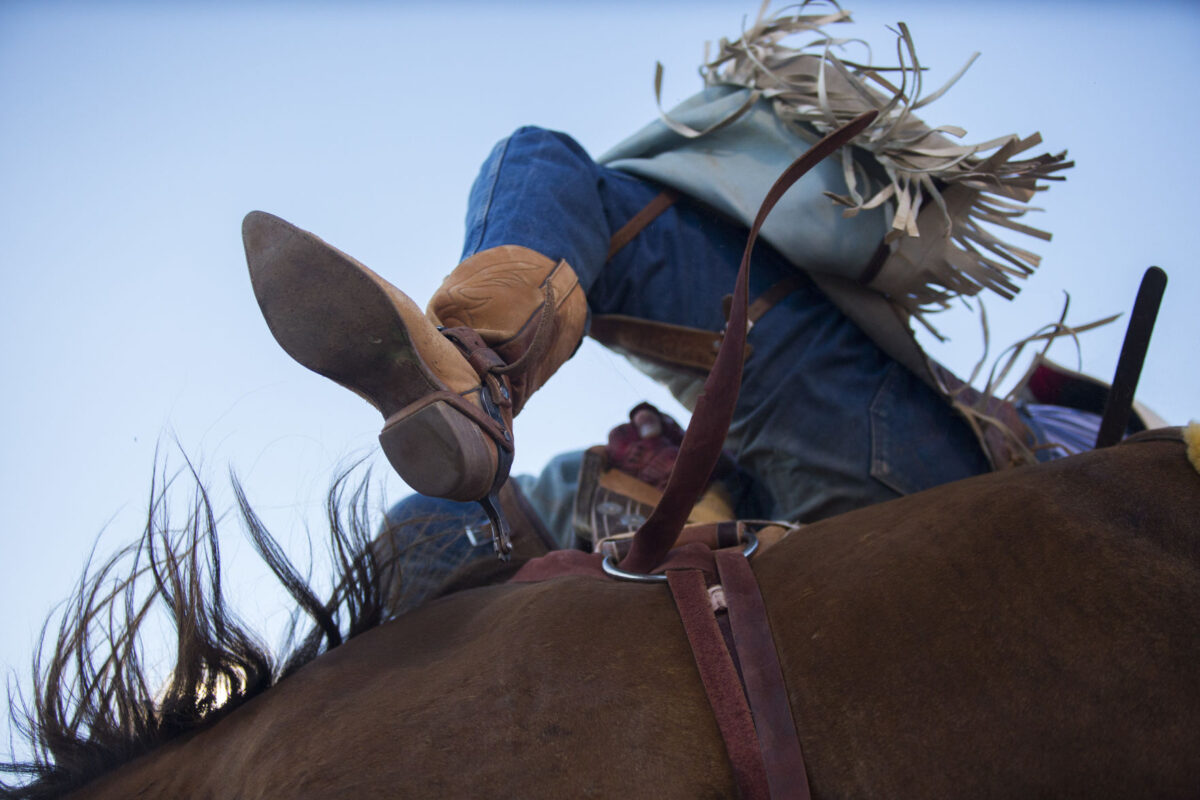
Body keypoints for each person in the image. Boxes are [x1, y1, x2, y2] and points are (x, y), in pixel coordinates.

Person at [240, 7, 1152, 615]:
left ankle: (479, 371)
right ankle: (491, 548)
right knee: (434, 524)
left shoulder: (1124, 454)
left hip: (944, 479)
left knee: (542, 161)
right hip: (863, 488)